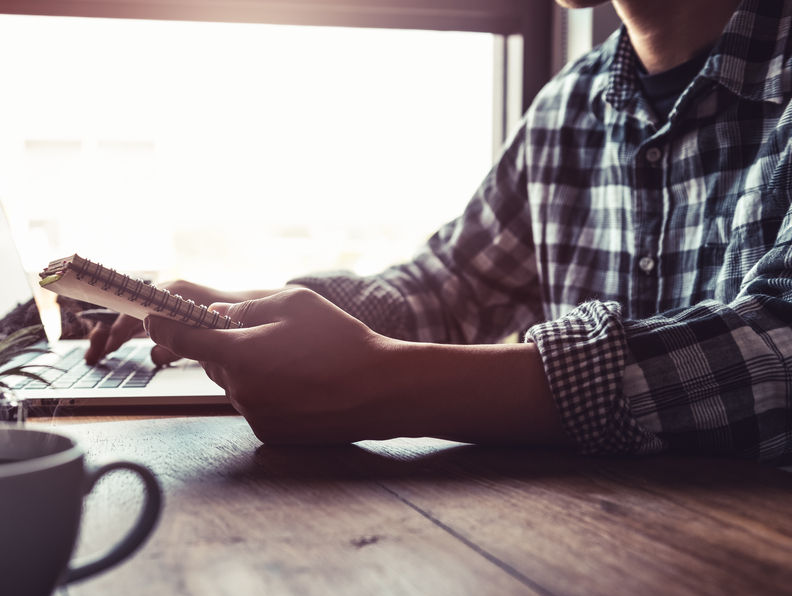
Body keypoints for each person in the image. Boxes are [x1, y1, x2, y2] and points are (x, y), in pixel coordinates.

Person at [88, 0, 792, 462]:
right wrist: (236, 311)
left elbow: (779, 345)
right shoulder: (573, 104)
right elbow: (452, 286)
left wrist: (387, 385)